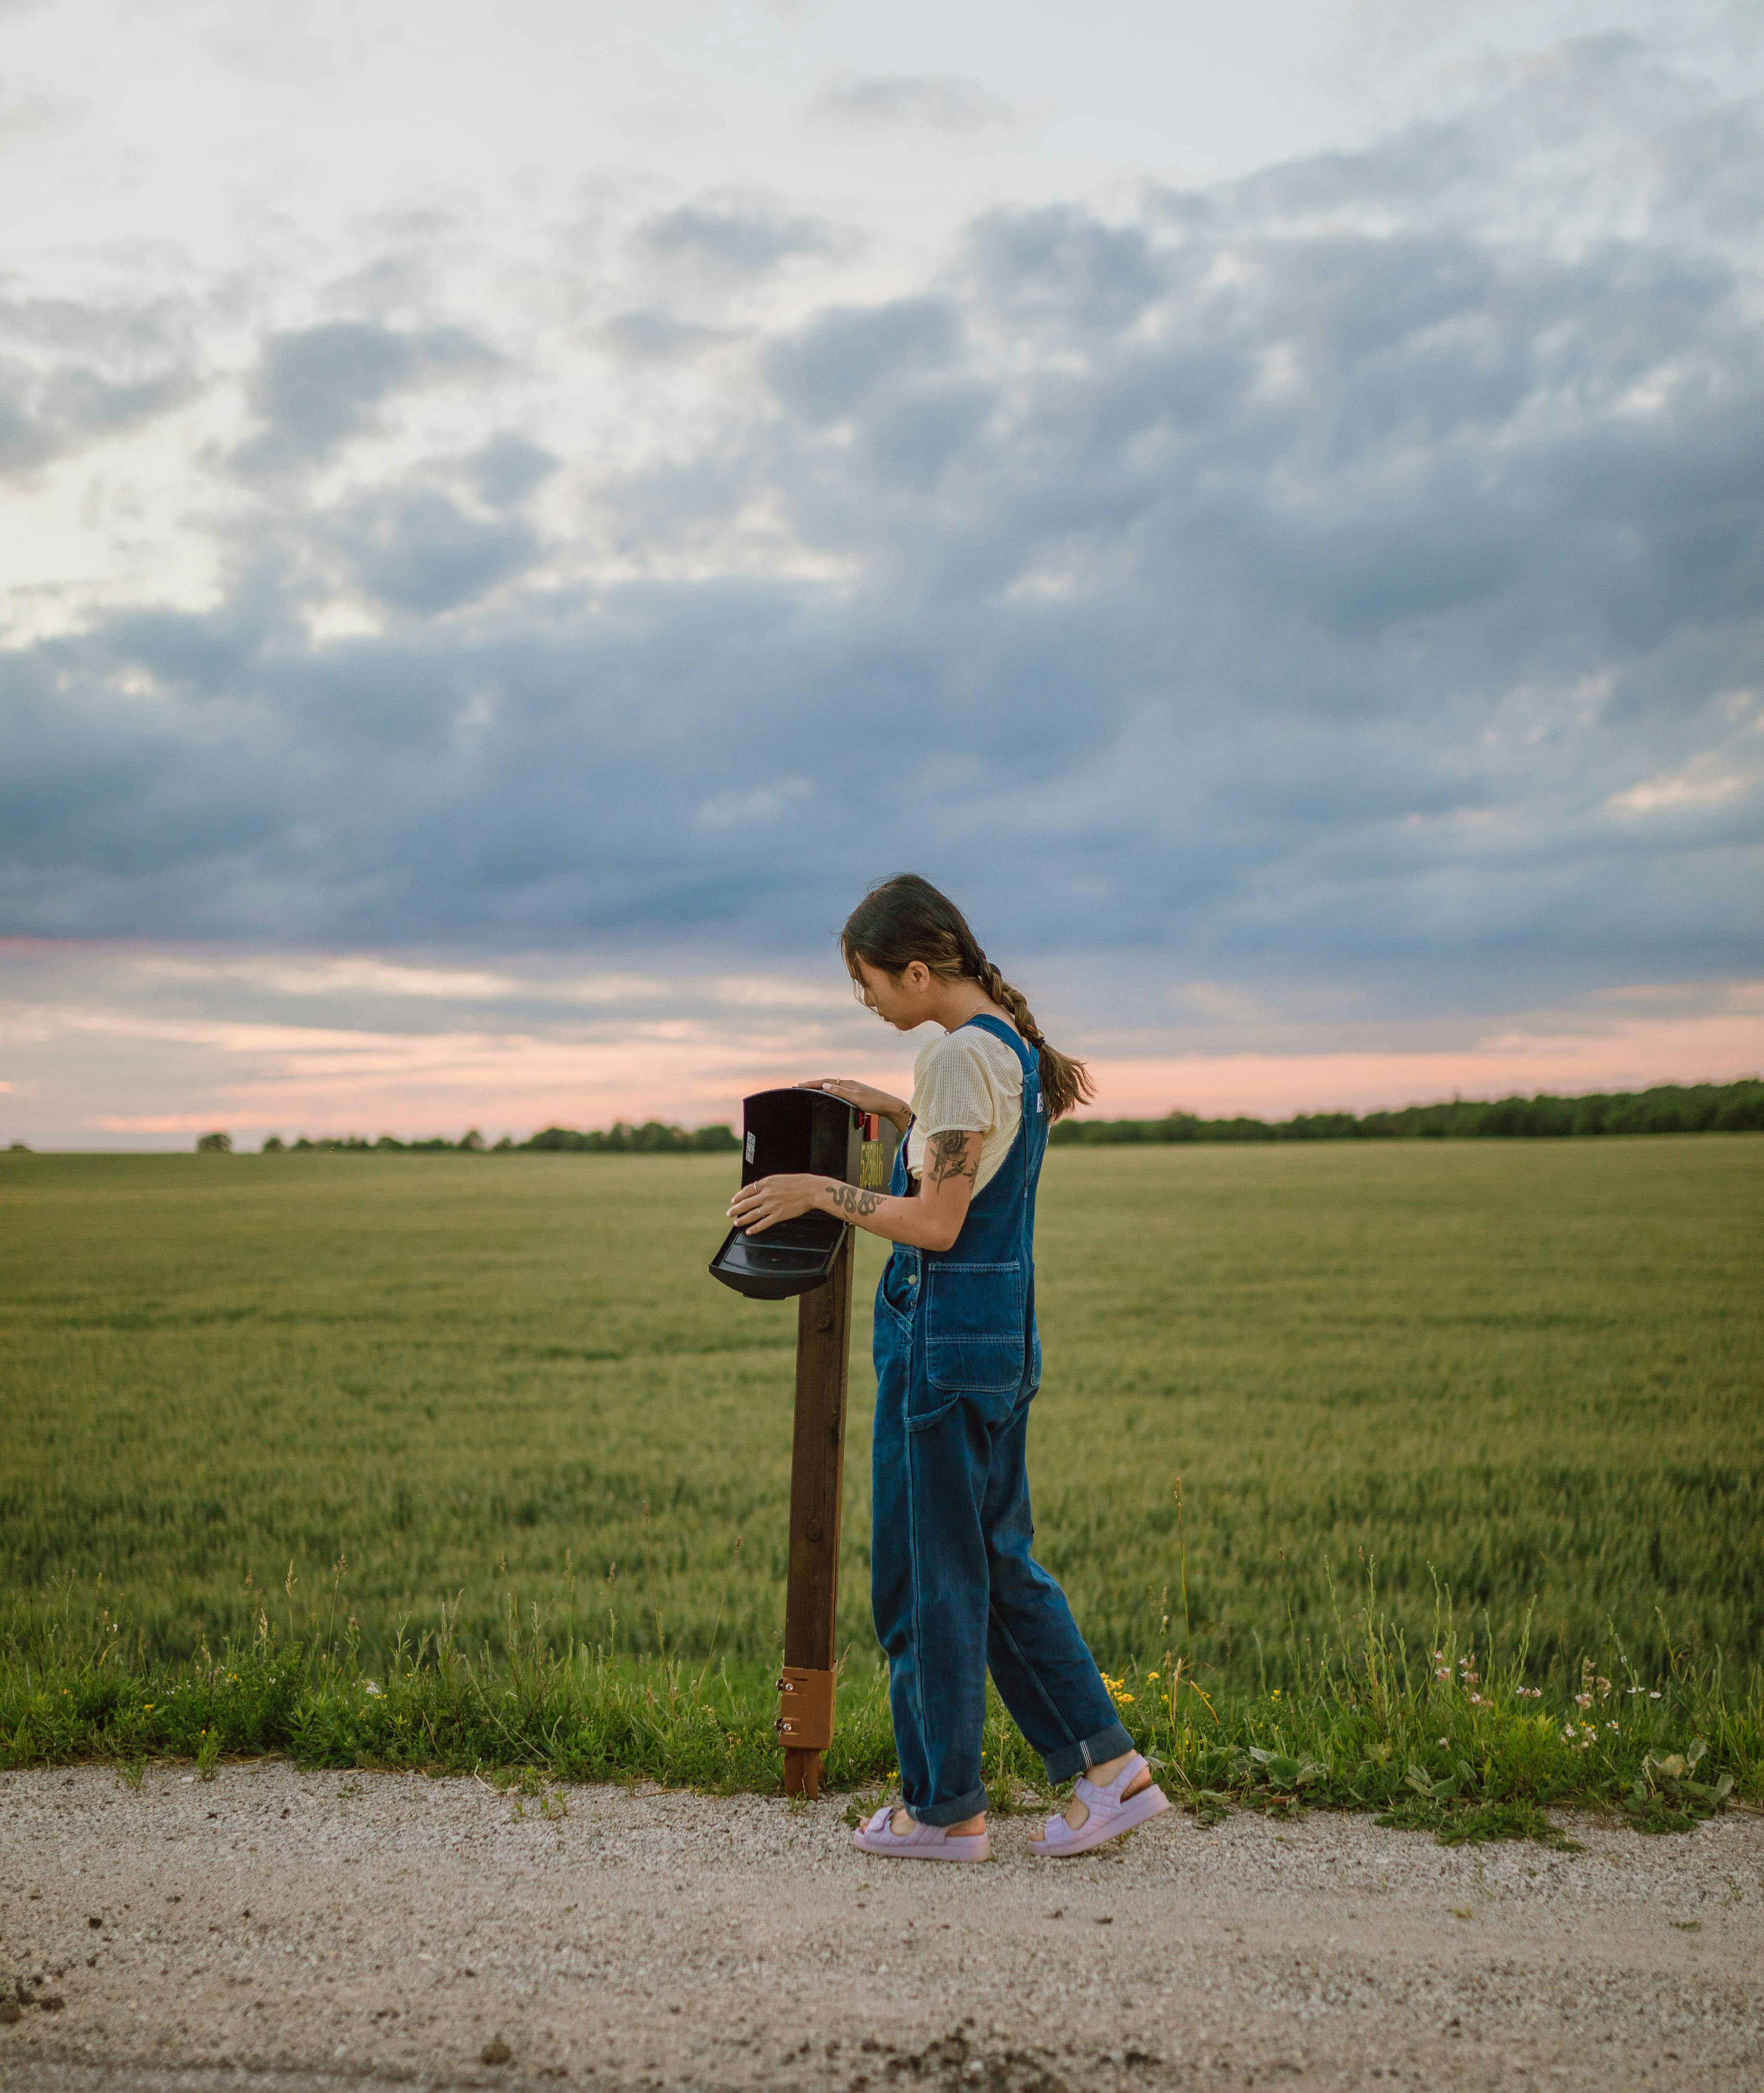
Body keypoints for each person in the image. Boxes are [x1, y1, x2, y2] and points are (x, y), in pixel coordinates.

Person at [727, 873, 1168, 1862]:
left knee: (927, 1575)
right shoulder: (1000, 1046)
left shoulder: (963, 1059)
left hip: (944, 1345)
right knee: (998, 1564)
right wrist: (895, 1109)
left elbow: (935, 1220)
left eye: (869, 982)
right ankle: (1111, 1772)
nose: (868, 1001)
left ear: (918, 969)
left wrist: (815, 1189)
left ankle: (942, 1812)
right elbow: (969, 1160)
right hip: (997, 1338)